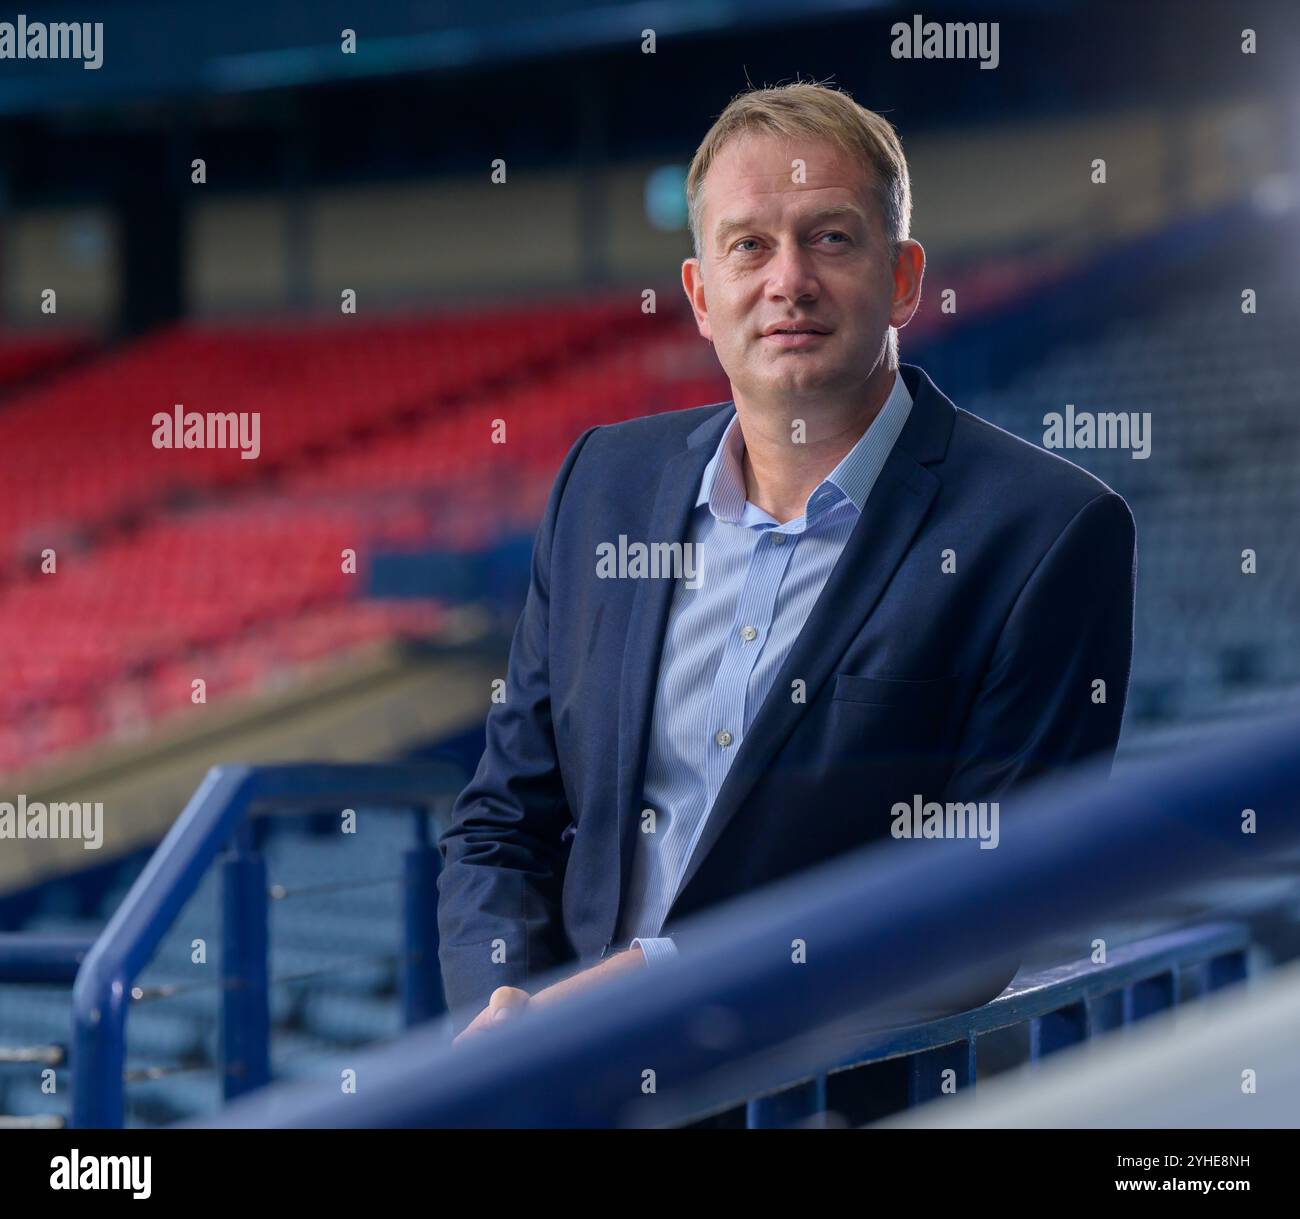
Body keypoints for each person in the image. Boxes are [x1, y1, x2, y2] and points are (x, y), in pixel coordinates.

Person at [438, 81, 1135, 1047]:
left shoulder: (1048, 533)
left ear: (903, 276)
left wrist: (659, 985)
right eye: (749, 245)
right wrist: (501, 1009)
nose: (789, 281)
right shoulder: (604, 486)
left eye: (832, 238)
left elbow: (983, 908)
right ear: (699, 294)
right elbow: (500, 822)